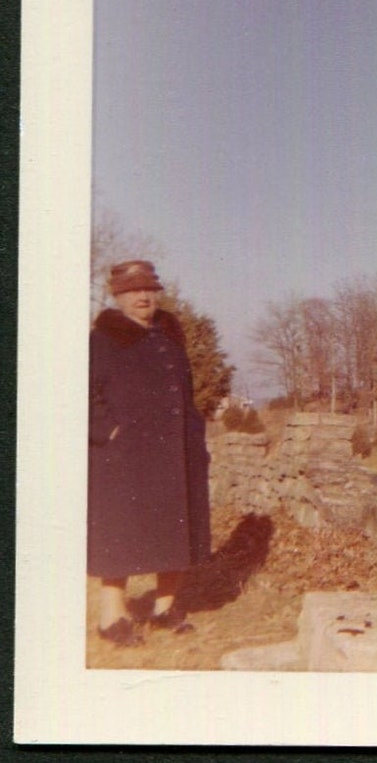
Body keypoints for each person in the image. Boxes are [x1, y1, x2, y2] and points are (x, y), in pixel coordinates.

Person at [88, 260, 212, 646]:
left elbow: (186, 394)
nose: (143, 296)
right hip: (124, 456)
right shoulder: (102, 340)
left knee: (177, 528)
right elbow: (82, 394)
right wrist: (108, 431)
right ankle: (112, 618)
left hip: (176, 452)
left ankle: (164, 609)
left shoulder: (169, 338)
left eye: (149, 289)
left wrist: (194, 436)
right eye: (132, 290)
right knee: (120, 533)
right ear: (118, 296)